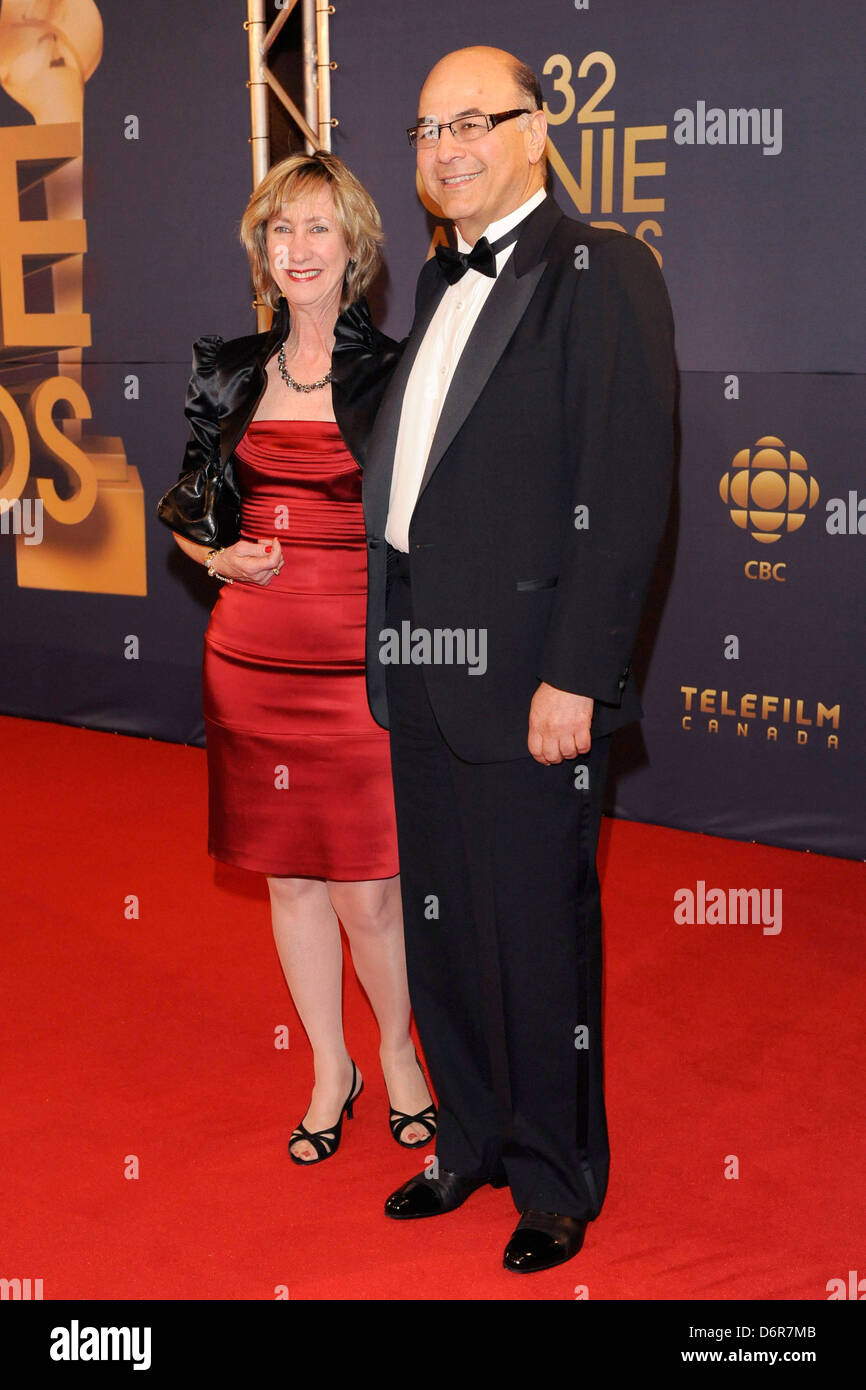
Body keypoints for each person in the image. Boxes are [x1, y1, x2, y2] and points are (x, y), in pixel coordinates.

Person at [362, 48, 676, 1271]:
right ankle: (471, 1141)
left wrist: (578, 676)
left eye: (472, 122)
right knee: (443, 927)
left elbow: (626, 485)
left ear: (535, 130)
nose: (445, 146)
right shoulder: (437, 282)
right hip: (421, 669)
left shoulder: (602, 271)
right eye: (427, 126)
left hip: (531, 682)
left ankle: (553, 1175)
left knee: (538, 933)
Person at [158, 151, 435, 1165]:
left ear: (356, 249)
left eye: (318, 229)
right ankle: (331, 1066)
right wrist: (216, 552)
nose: (298, 249)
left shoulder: (400, 370)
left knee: (369, 886)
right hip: (251, 659)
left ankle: (398, 1054)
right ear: (260, 252)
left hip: (361, 666)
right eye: (280, 231)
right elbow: (185, 508)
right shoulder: (228, 366)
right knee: (288, 882)